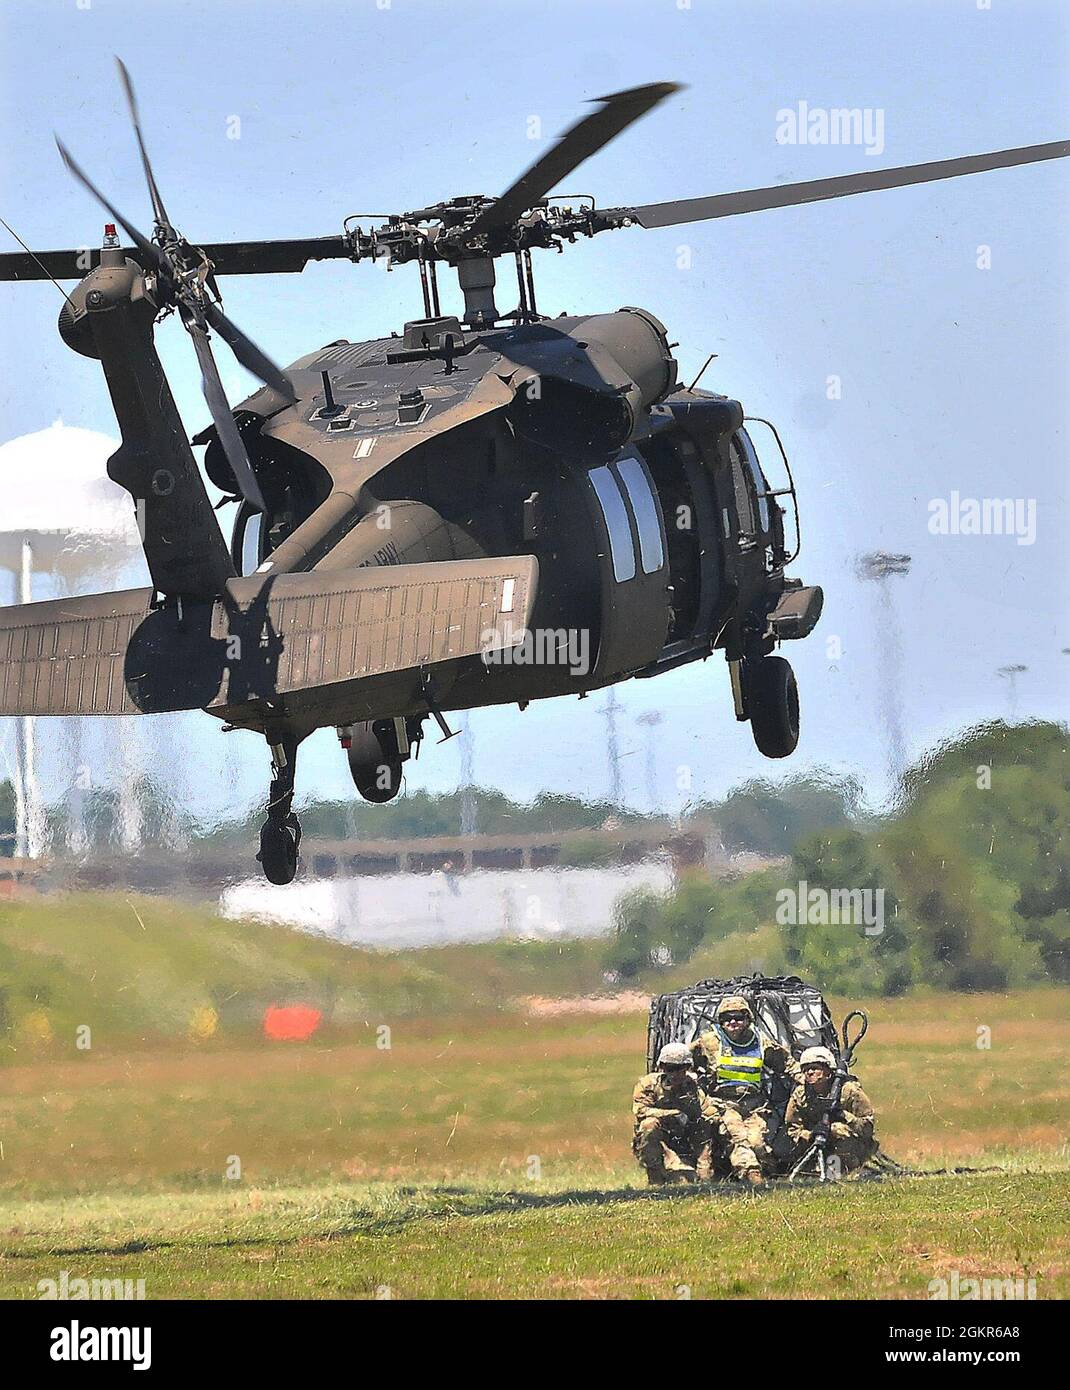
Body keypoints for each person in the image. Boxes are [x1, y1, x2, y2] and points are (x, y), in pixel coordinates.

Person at [690, 995, 799, 1176]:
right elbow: (682, 1060)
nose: (733, 1022)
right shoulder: (709, 1041)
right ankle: (751, 1176)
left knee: (756, 1143)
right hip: (723, 1106)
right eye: (727, 1018)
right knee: (739, 1139)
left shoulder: (760, 1041)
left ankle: (771, 1175)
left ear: (747, 1019)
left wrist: (806, 1079)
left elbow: (787, 1063)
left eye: (738, 1017)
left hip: (755, 1106)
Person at [632, 1043, 724, 1186]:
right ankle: (655, 1178)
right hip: (661, 1141)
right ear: (662, 1067)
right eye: (670, 1068)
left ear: (688, 1068)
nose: (675, 1074)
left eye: (681, 1069)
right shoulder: (649, 1085)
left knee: (690, 1181)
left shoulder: (693, 1086)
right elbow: (641, 1110)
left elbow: (707, 1111)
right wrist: (673, 1114)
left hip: (687, 1141)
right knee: (648, 1125)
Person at [785, 1046, 877, 1175]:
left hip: (854, 1148)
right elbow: (792, 1129)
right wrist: (810, 1135)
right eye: (805, 1069)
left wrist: (843, 1115)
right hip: (816, 1145)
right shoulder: (800, 1095)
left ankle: (841, 1170)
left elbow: (867, 1128)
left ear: (828, 1070)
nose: (810, 1072)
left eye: (815, 1068)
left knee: (836, 1129)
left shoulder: (849, 1091)